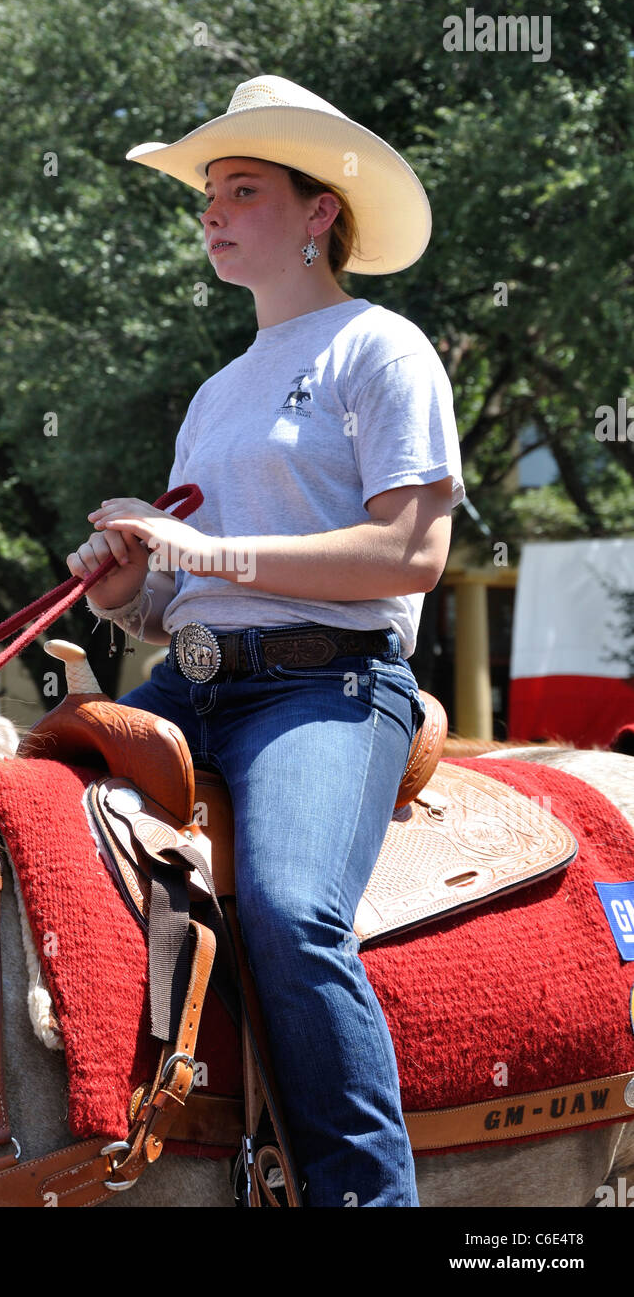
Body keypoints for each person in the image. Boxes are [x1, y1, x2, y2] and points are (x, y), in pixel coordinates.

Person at [66, 75, 464, 1207]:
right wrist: (130, 583)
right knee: (1, 814)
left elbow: (407, 556)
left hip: (325, 691)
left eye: (240, 188)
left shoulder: (380, 349)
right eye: (206, 194)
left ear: (317, 211)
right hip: (184, 685)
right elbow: (181, 596)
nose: (211, 211)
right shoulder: (214, 393)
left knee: (292, 910)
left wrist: (197, 557)